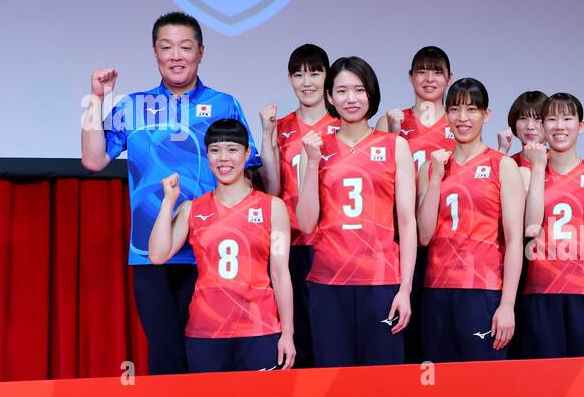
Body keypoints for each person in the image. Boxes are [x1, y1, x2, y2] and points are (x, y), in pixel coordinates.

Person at [82, 10, 259, 375]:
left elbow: (249, 173)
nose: (176, 56)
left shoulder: (224, 104)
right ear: (155, 53)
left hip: (212, 252)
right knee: (165, 359)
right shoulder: (132, 105)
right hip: (151, 253)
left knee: (209, 359)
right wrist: (96, 100)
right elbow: (94, 159)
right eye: (167, 47)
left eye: (185, 47)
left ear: (201, 52)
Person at [146, 119, 293, 373]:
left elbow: (280, 274)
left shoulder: (272, 207)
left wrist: (287, 334)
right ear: (207, 155)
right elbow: (157, 255)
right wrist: (169, 202)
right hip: (206, 332)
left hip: (259, 329)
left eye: (232, 149)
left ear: (247, 153)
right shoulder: (192, 208)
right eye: (215, 150)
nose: (223, 158)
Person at [296, 56, 415, 366]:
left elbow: (407, 222)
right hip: (328, 283)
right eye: (342, 91)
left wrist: (405, 290)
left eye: (359, 90)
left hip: (381, 282)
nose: (351, 99)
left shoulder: (395, 146)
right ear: (330, 97)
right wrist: (310, 163)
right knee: (332, 383)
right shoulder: (314, 148)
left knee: (383, 384)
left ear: (371, 94)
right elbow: (306, 224)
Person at [417, 78, 525, 362]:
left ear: (486, 114)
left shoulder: (502, 166)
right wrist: (437, 177)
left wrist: (507, 305)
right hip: (436, 290)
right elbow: (424, 236)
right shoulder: (431, 166)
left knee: (482, 391)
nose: (462, 118)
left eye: (472, 110)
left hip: (482, 292)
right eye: (454, 109)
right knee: (436, 389)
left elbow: (514, 241)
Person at [519, 92, 584, 358]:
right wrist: (538, 169)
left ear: (581, 125)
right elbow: (530, 227)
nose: (559, 126)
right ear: (542, 126)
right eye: (551, 119)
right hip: (540, 292)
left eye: (567, 118)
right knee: (544, 384)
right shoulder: (526, 174)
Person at [257, 43, 336, 368]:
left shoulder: (342, 125)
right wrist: (266, 135)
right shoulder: (282, 127)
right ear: (289, 78)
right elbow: (273, 187)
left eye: (315, 73)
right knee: (297, 335)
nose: (307, 82)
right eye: (299, 74)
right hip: (291, 244)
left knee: (330, 336)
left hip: (333, 244)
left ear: (326, 76)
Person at [382, 45, 455, 171]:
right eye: (422, 72)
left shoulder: (460, 123)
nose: (430, 79)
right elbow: (379, 176)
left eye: (438, 73)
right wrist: (393, 135)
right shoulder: (388, 122)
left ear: (449, 78)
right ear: (411, 76)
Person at [496, 90, 549, 167]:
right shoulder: (510, 165)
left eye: (538, 119)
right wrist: (502, 151)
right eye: (523, 118)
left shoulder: (561, 163)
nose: (530, 127)